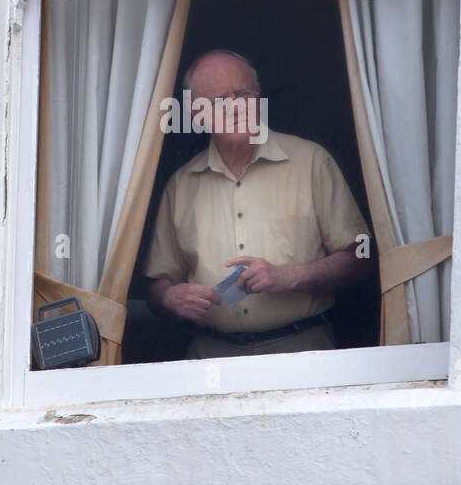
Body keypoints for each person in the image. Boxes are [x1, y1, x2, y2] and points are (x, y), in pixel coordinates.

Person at [144, 49, 369, 358]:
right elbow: (157, 284)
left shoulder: (311, 161)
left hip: (302, 351)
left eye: (244, 94)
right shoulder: (181, 185)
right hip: (211, 357)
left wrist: (288, 276)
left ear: (259, 98)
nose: (237, 107)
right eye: (221, 100)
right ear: (197, 115)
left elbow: (362, 257)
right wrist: (169, 297)